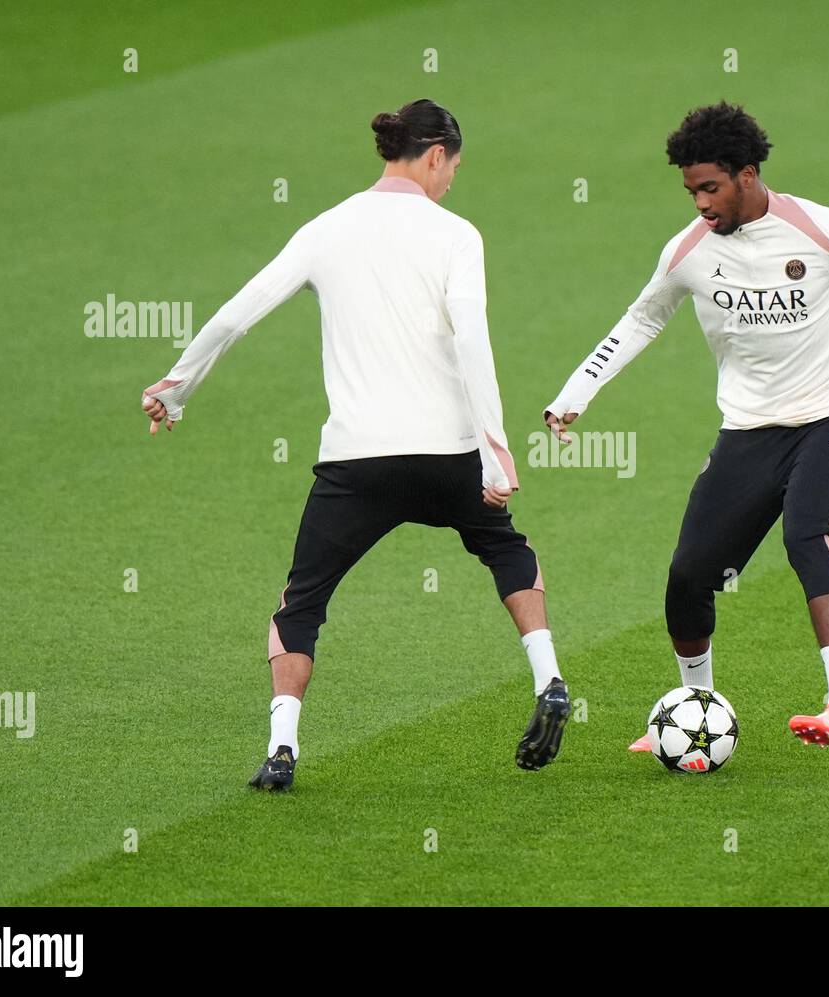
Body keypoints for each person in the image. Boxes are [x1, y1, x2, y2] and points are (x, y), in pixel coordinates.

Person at [141, 99, 570, 790]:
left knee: (302, 601)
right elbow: (473, 342)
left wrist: (176, 386)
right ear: (435, 155)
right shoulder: (457, 234)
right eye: (454, 166)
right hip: (449, 452)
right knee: (504, 546)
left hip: (356, 460)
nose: (453, 179)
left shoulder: (325, 228)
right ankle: (548, 677)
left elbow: (236, 314)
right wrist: (494, 449)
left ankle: (283, 748)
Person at [543, 102, 829, 761]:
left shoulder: (818, 229)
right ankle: (698, 705)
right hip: (748, 429)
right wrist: (574, 394)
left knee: (808, 533)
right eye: (690, 191)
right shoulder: (688, 252)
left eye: (710, 188)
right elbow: (641, 320)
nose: (700, 204)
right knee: (689, 576)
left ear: (748, 175)